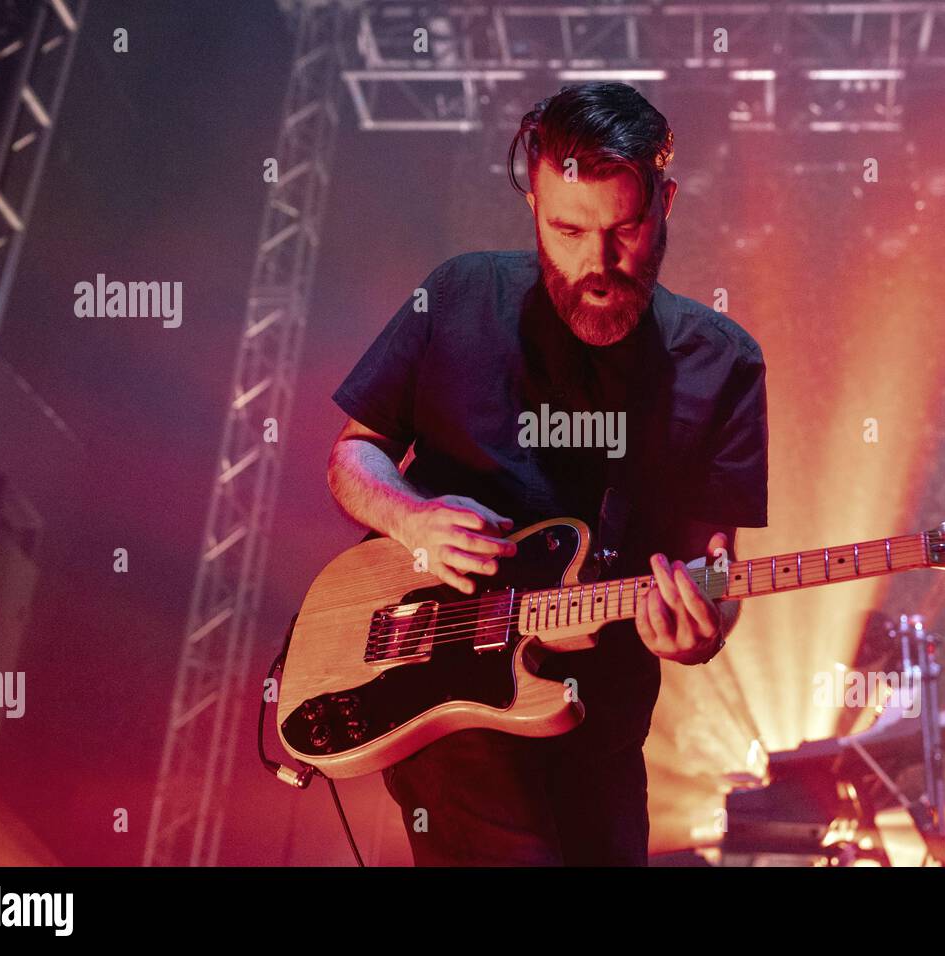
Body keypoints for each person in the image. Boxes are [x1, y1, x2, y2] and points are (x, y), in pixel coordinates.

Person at [326, 82, 768, 865]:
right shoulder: (458, 293)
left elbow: (715, 563)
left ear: (665, 202)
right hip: (448, 696)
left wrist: (706, 629)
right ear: (533, 201)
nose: (597, 263)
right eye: (567, 229)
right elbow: (353, 456)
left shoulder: (723, 362)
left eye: (625, 229)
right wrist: (411, 519)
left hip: (600, 728)